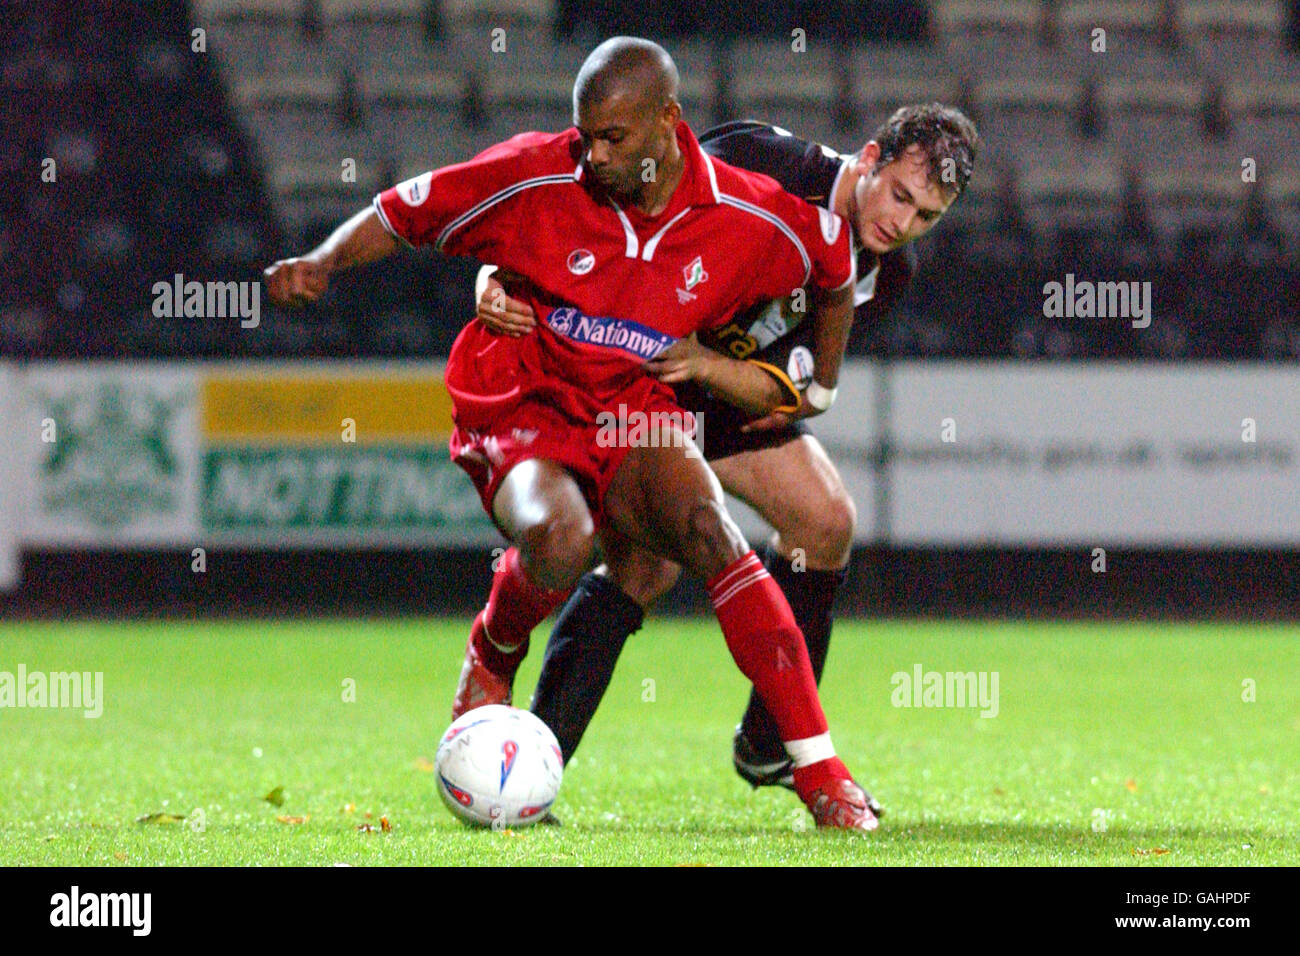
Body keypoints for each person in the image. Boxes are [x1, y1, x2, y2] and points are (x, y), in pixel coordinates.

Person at [264, 37, 879, 830]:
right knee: (562, 539)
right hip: (521, 397)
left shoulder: (745, 214)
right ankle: (493, 650)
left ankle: (820, 771)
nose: (592, 155)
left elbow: (834, 264)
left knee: (709, 532)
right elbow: (404, 210)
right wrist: (321, 260)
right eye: (585, 134)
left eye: (613, 138)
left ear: (668, 120)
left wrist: (820, 384)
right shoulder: (539, 173)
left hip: (631, 407)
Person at [471, 104, 978, 804]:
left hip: (719, 384)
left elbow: (792, 389)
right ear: (868, 158)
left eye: (925, 216)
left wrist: (710, 367)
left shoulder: (885, 274)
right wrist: (500, 277)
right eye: (899, 195)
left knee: (826, 521)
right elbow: (618, 206)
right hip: (636, 370)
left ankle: (770, 745)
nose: (902, 223)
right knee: (644, 567)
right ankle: (533, 762)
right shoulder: (759, 157)